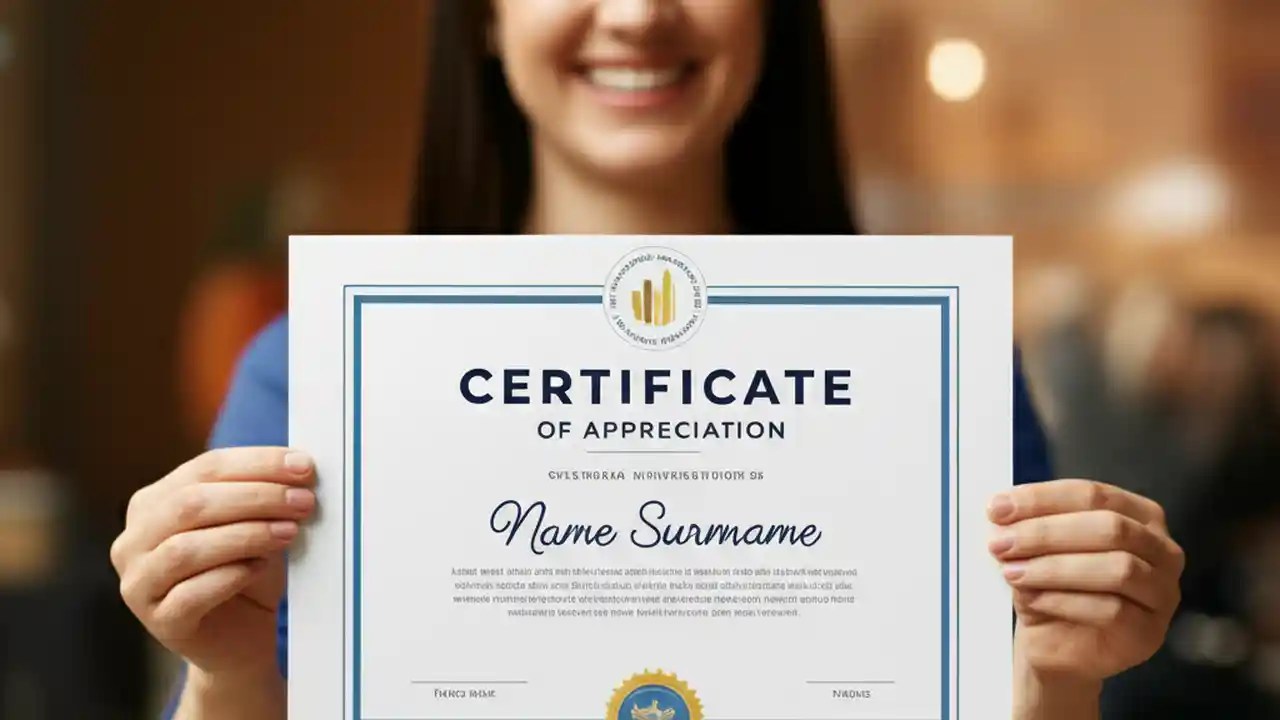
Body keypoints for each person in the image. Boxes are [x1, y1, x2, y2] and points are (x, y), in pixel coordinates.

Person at [107, 2, 1185, 718]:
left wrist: (1054, 675)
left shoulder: (938, 375)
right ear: (483, 15)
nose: (634, 13)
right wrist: (229, 670)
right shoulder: (310, 377)